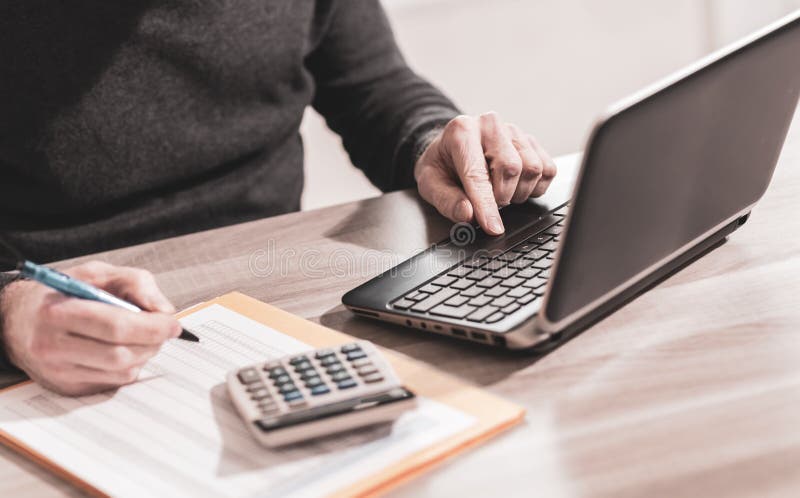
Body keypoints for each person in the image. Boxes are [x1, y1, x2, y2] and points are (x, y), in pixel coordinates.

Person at [0, 1, 556, 395]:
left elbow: (370, 83)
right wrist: (8, 315)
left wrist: (430, 141)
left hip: (273, 297)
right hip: (62, 331)